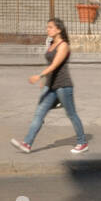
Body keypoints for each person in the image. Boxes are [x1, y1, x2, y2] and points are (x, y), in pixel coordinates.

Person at [11, 18, 88, 154]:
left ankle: (82, 142)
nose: (48, 29)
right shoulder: (52, 43)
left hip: (63, 86)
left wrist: (39, 76)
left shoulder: (63, 46)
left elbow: (55, 65)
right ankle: (27, 144)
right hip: (51, 86)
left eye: (51, 27)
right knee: (39, 114)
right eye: (47, 27)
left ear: (59, 30)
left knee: (71, 114)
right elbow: (50, 64)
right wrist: (45, 80)